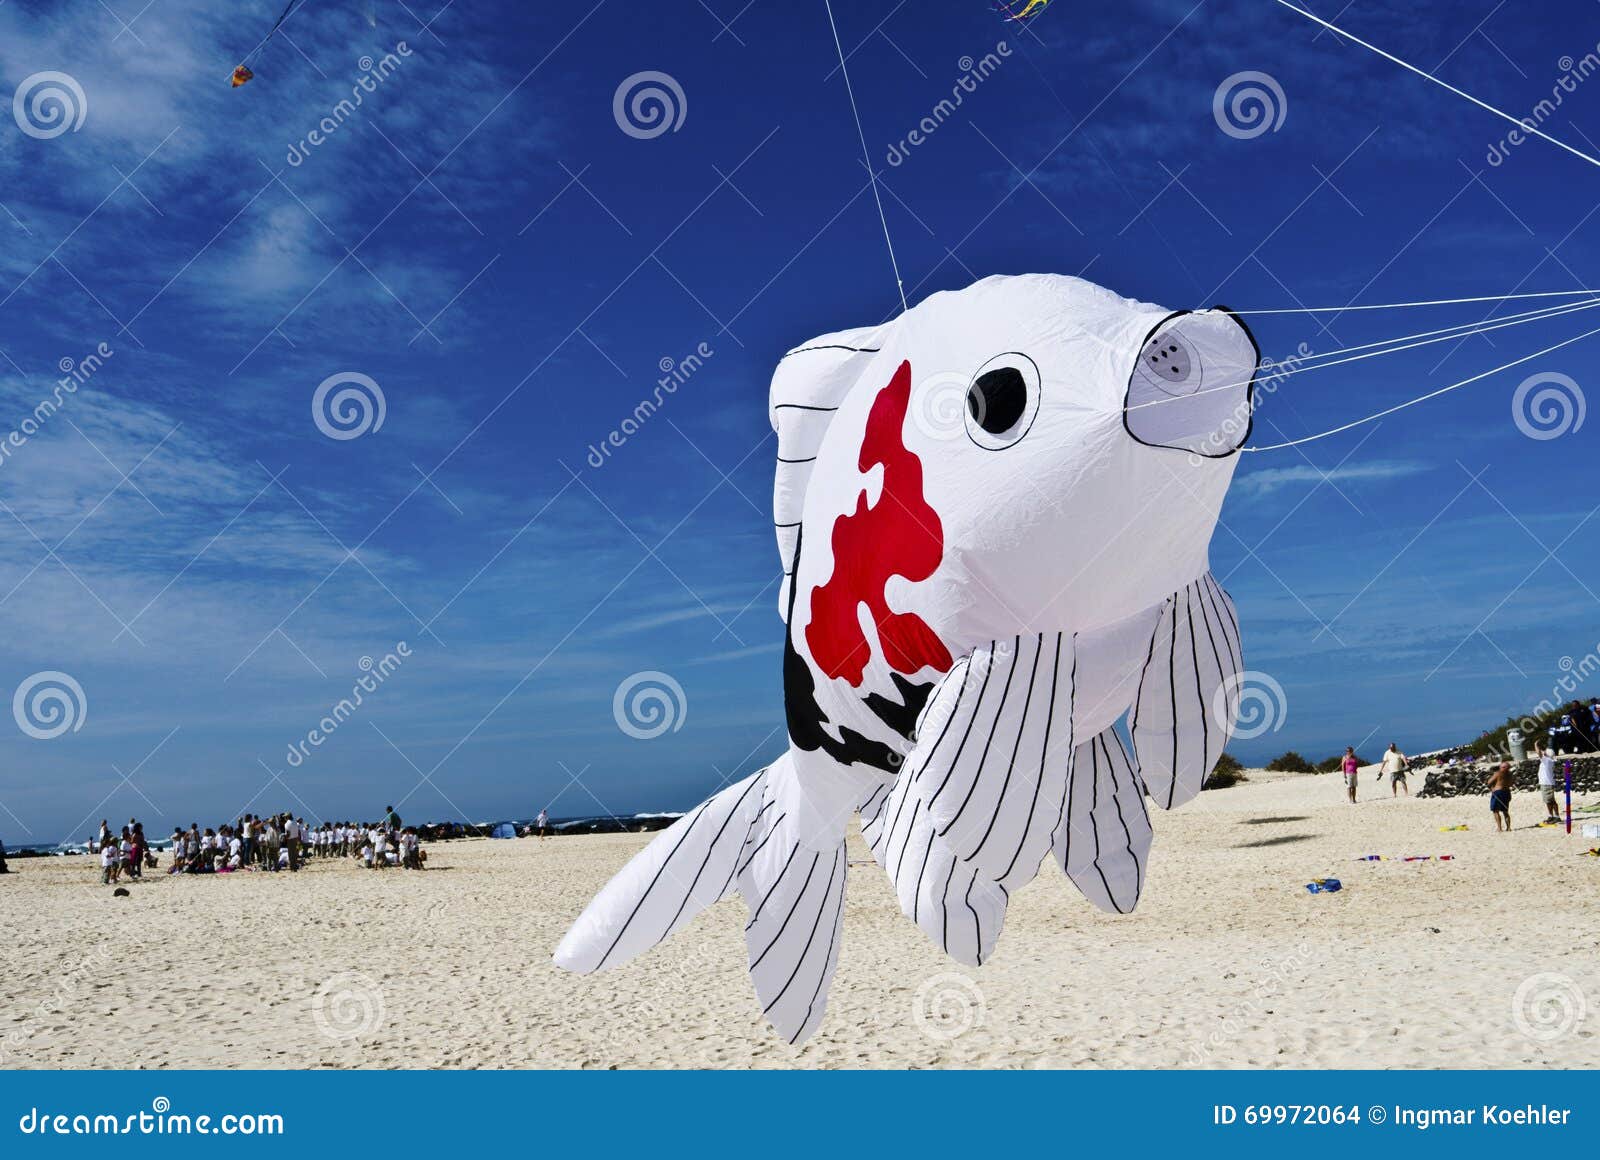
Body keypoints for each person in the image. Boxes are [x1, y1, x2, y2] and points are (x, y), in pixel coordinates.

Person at [1488, 760, 1515, 832]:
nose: (1500, 767)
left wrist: (1492, 788)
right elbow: (1511, 783)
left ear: (1503, 767)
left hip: (1498, 792)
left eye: (1501, 767)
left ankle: (1499, 828)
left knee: (1495, 810)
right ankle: (1508, 828)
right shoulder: (1510, 774)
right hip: (1506, 792)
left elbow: (1489, 782)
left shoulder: (1498, 773)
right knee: (1505, 811)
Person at [1536, 746, 1561, 823]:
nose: (1544, 752)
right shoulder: (1549, 760)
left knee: (1551, 801)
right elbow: (1541, 753)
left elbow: (1539, 753)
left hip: (1547, 783)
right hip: (1546, 783)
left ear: (1547, 754)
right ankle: (1551, 816)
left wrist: (1536, 744)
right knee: (1548, 801)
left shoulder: (1546, 760)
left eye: (1545, 752)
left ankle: (1556, 817)